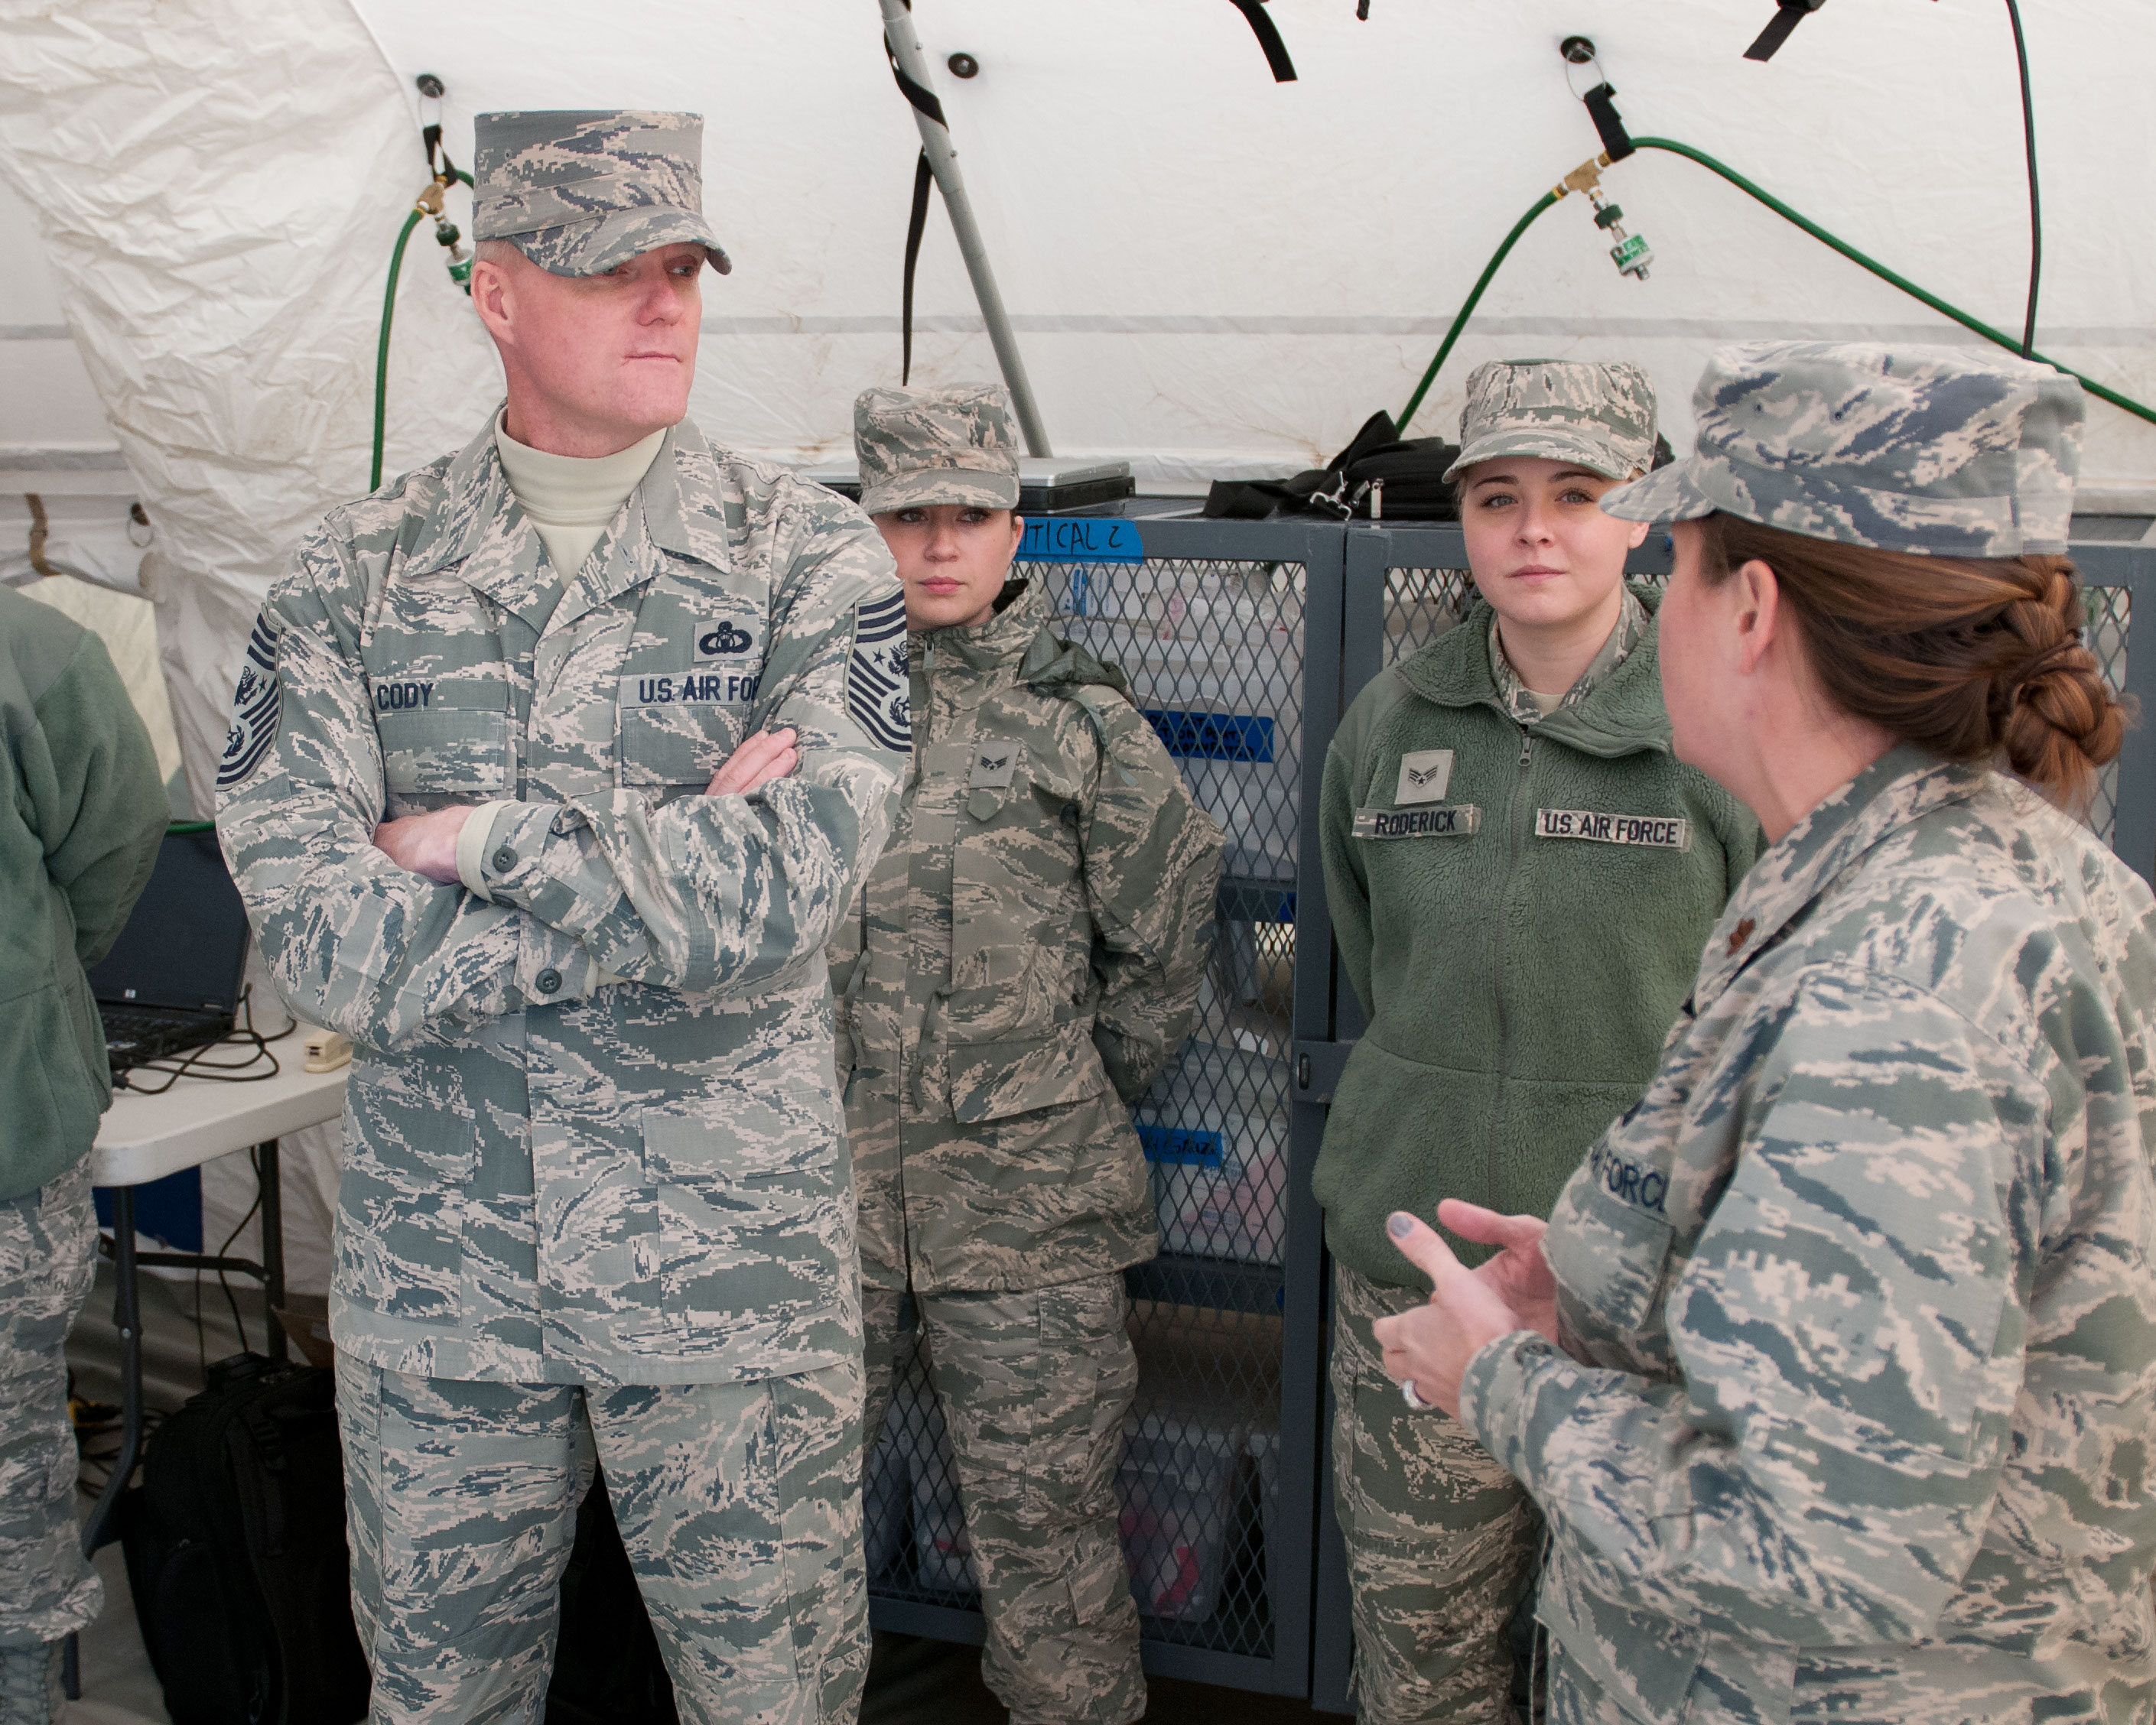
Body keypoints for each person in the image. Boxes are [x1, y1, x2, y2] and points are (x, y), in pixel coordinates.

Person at [216, 111, 909, 1725]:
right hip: (445, 1283)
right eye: (613, 272)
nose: (662, 305)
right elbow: (318, 940)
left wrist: (472, 838)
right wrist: (666, 874)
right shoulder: (353, 579)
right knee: (441, 1705)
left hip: (728, 1278)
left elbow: (791, 882)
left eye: (681, 269)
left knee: (777, 1707)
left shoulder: (805, 557)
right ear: (500, 291)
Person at [1374, 340, 2156, 1724]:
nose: (1655, 602)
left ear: (1751, 610)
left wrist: (1500, 1384)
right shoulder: (1946, 880)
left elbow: (1819, 1553)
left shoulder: (1903, 991)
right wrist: (1627, 1290)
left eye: (1673, 564)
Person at [1314, 359, 1760, 1724]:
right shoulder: (1393, 723)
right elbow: (1362, 940)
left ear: (1646, 520)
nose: (1534, 529)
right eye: (1498, 497)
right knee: (1423, 1670)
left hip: (1641, 1310)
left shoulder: (1716, 733)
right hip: (1422, 1286)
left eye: (1579, 494)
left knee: (1629, 1683)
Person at [830, 384, 1224, 1725]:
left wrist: (1052, 1099)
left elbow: (1163, 947)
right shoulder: (809, 715)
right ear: (865, 529)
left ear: (1015, 533)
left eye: (970, 516)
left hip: (1033, 1220)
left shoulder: (1085, 725)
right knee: (775, 1552)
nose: (939, 546)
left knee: (1050, 1568)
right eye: (908, 518)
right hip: (823, 1210)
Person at [0, 583, 166, 1722]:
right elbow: (107, 857)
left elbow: (114, 834)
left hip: (6, 1172)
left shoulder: (29, 656)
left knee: (11, 1537)